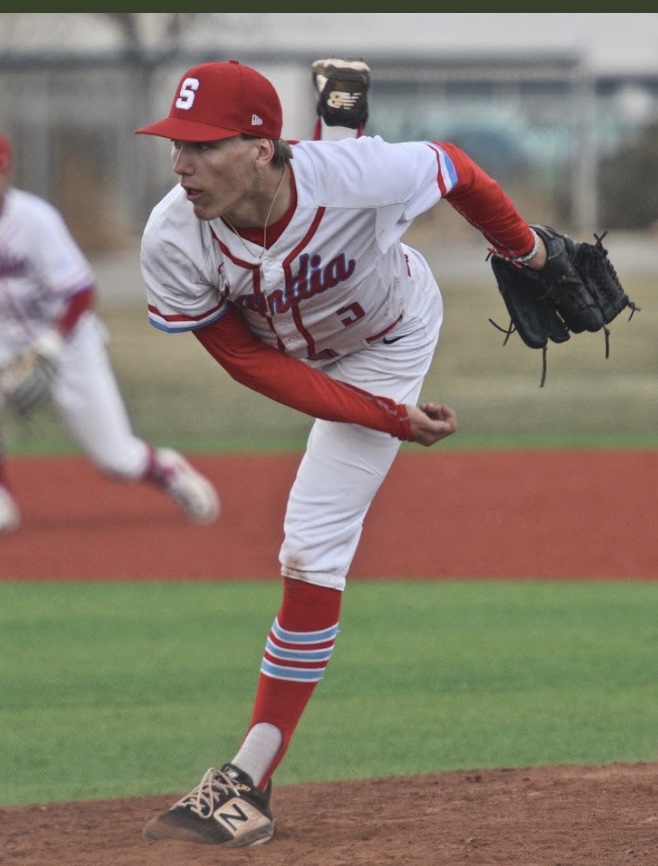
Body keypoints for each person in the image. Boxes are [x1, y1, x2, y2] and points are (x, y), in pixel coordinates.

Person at [134, 55, 549, 849]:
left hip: (385, 336)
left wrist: (528, 253)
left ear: (261, 146)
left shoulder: (363, 179)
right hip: (291, 349)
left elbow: (455, 169)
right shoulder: (173, 234)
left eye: (204, 144)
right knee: (328, 212)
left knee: (311, 545)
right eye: (174, 145)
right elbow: (253, 364)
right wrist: (391, 422)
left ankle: (247, 782)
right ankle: (342, 119)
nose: (182, 164)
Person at [0, 133, 220, 532]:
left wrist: (51, 342)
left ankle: (166, 470)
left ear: (6, 173)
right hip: (5, 342)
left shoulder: (35, 221)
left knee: (117, 459)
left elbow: (82, 290)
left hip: (66, 344)